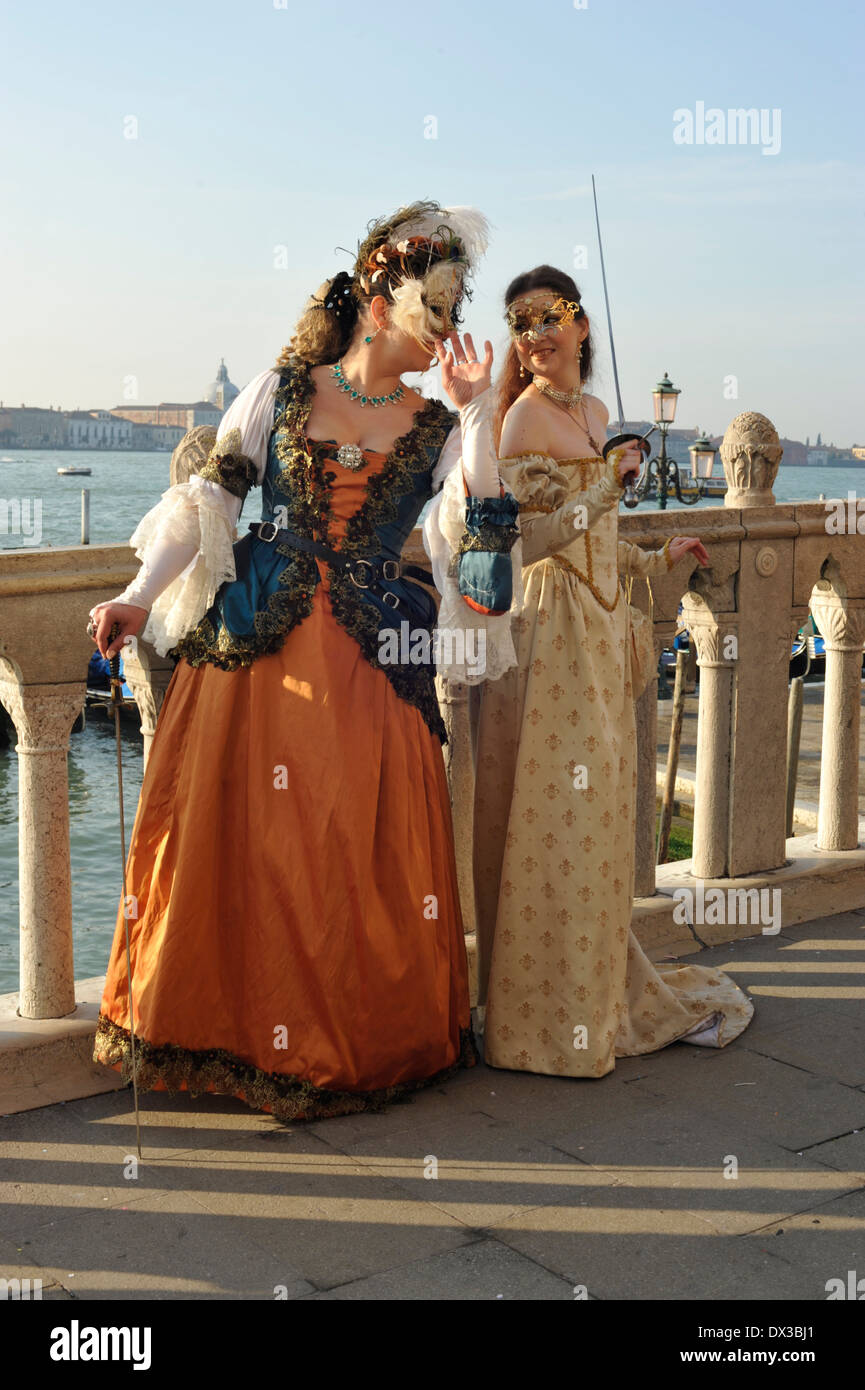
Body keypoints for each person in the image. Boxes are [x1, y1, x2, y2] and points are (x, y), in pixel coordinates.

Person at [88, 201, 522, 1121]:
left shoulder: (440, 426)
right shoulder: (282, 388)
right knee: (243, 843)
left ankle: (342, 1046)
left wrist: (479, 413)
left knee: (333, 848)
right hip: (255, 648)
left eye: (454, 309)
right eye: (433, 306)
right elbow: (210, 498)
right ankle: (229, 1035)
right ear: (378, 302)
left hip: (369, 659)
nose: (447, 329)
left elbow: (484, 574)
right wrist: (135, 594)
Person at [470, 265, 753, 1078]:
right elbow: (537, 541)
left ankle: (593, 996)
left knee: (596, 827)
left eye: (547, 317)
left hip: (598, 629)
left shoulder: (591, 413)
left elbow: (597, 536)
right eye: (519, 324)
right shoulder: (520, 420)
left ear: (580, 324)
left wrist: (654, 555)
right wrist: (607, 483)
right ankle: (544, 1017)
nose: (534, 335)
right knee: (555, 813)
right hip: (552, 631)